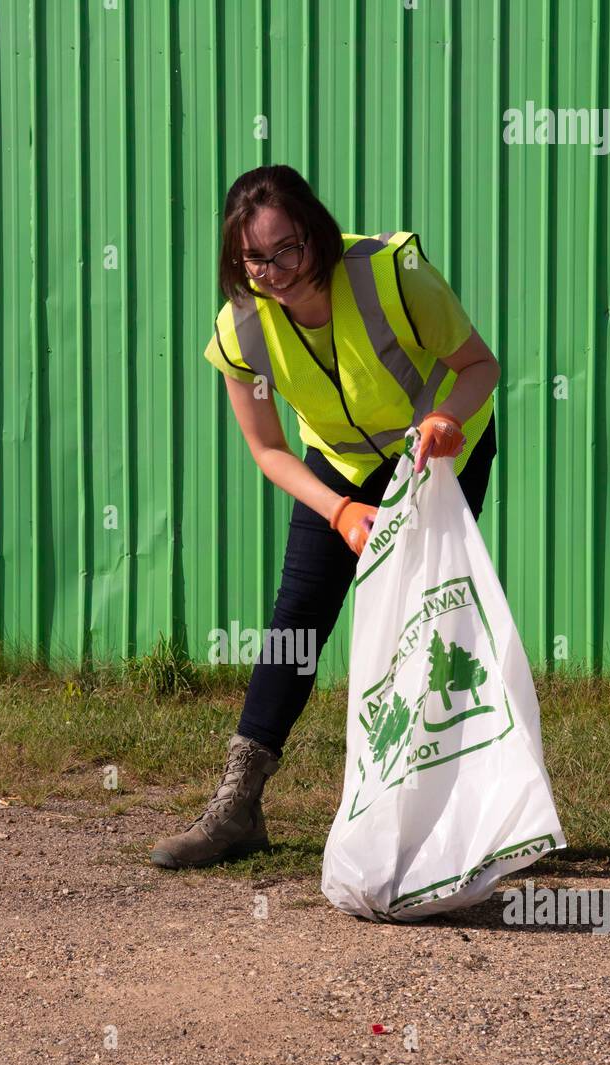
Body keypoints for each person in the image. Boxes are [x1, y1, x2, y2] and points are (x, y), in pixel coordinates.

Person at [151, 164, 501, 870]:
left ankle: (435, 818)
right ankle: (237, 806)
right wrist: (340, 511)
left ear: (316, 233)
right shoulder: (242, 331)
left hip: (437, 451)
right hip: (338, 468)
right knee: (296, 621)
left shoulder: (393, 275)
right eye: (255, 257)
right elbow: (269, 448)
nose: (274, 271)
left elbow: (479, 366)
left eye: (287, 249)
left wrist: (442, 421)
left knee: (425, 625)